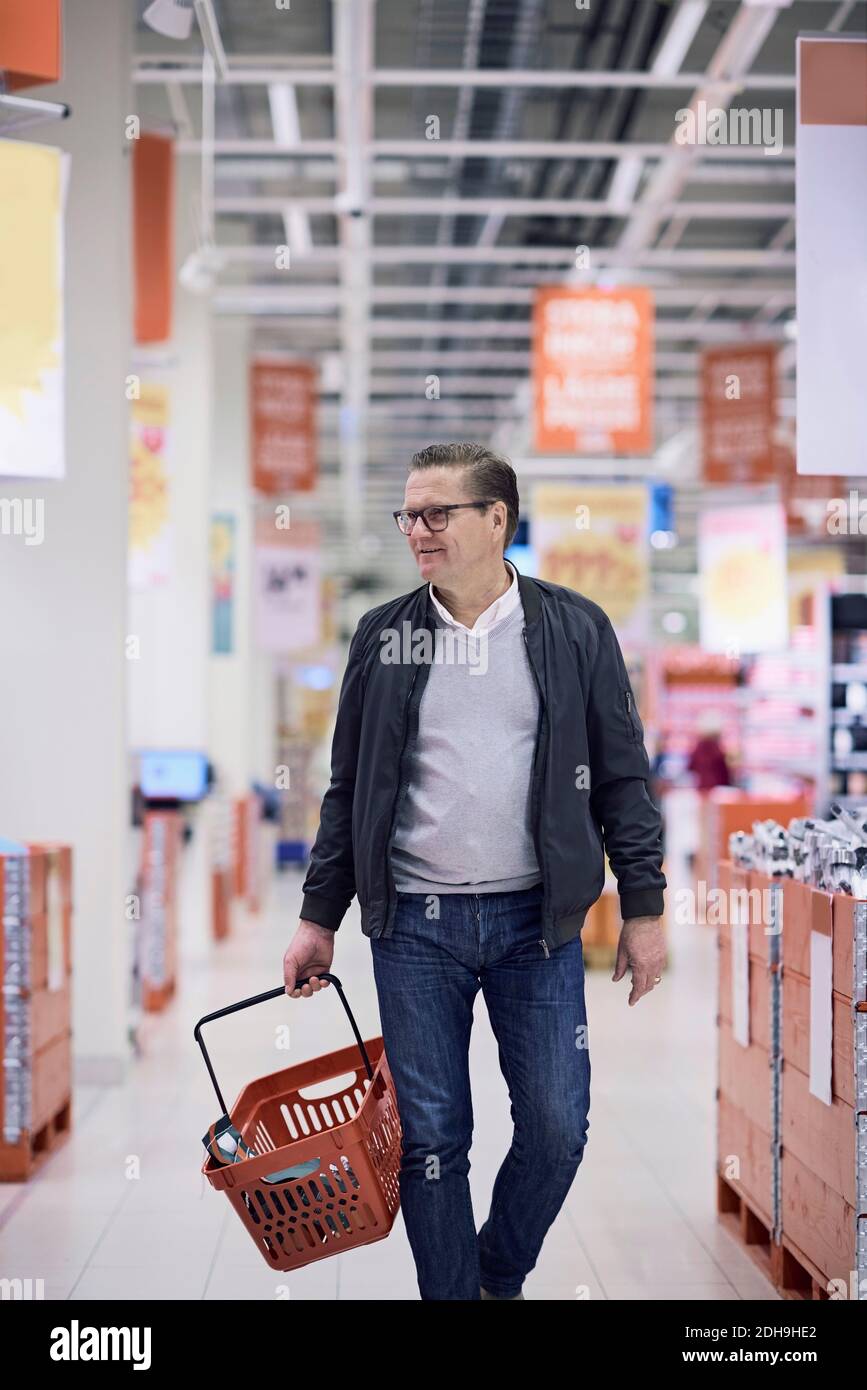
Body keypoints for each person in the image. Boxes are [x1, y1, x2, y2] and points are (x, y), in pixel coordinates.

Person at [282, 442, 666, 1302]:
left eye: (436, 513)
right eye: (407, 515)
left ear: (497, 519)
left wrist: (643, 906)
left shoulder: (572, 628)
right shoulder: (383, 636)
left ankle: (497, 1273)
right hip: (414, 929)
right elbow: (351, 790)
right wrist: (318, 917)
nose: (416, 531)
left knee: (558, 1127)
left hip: (538, 924)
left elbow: (620, 777)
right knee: (430, 1138)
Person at [687, 712, 732, 792]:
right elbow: (725, 774)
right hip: (717, 790)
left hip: (701, 790)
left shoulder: (698, 749)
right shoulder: (717, 750)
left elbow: (690, 768)